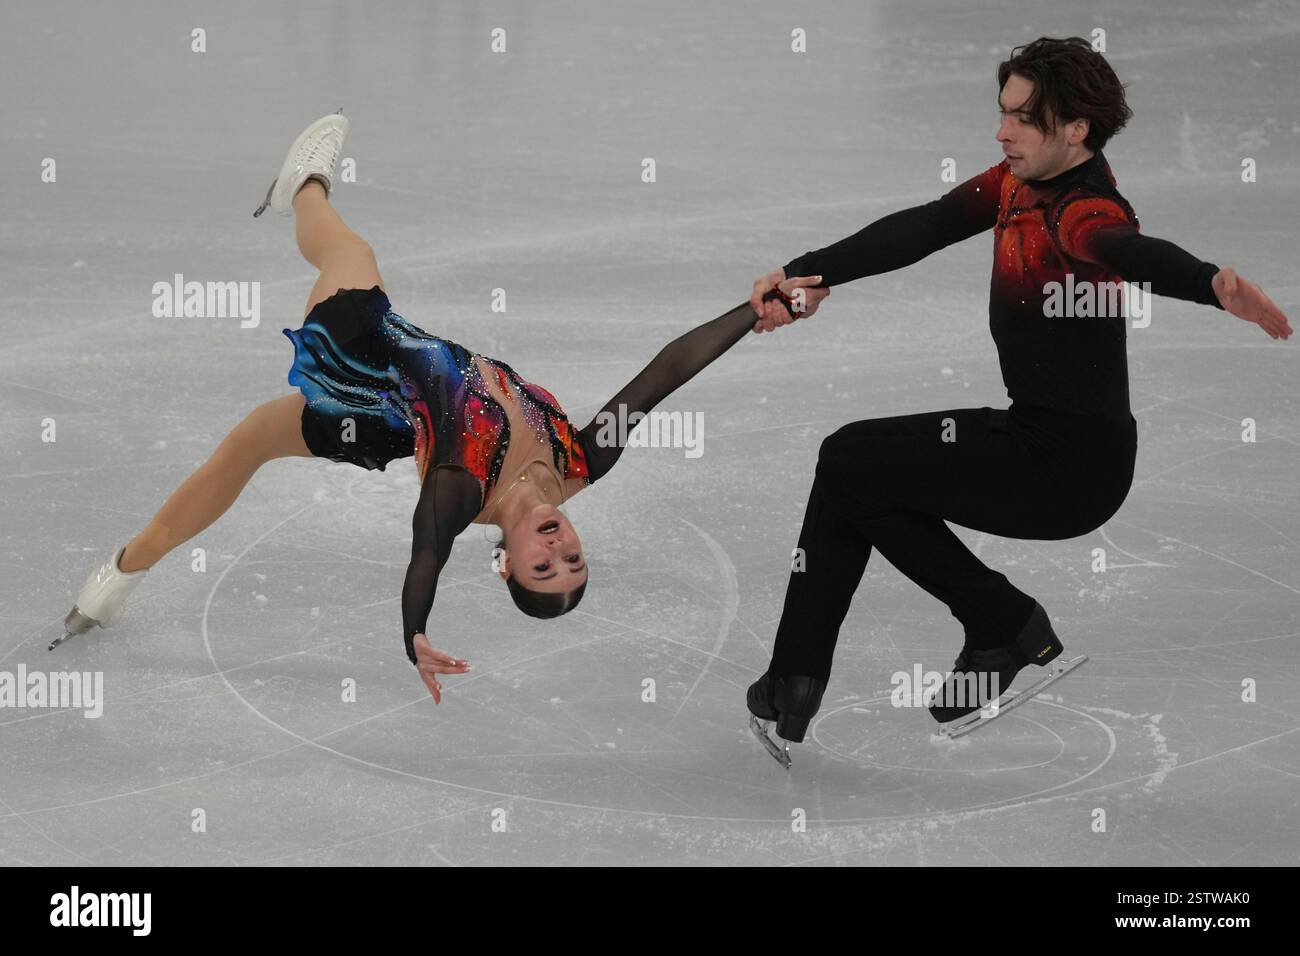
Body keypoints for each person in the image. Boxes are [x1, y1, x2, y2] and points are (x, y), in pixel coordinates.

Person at [57, 112, 812, 706]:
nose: (558, 550)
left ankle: (304, 187)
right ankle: (114, 580)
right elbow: (665, 373)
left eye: (541, 569)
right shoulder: (588, 457)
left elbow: (427, 552)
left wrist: (414, 631)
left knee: (350, 260)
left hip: (366, 359)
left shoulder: (459, 490)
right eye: (573, 559)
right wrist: (753, 314)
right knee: (249, 445)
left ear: (507, 566)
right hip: (391, 412)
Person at [744, 37, 1292, 748]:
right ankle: (799, 679)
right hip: (1033, 437)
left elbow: (1128, 251)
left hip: (1068, 469)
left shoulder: (1081, 211)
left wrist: (1210, 284)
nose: (1002, 132)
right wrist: (806, 274)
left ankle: (998, 623)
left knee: (851, 464)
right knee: (852, 468)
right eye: (1003, 113)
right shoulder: (1018, 182)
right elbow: (930, 224)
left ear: (1075, 130)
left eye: (1022, 118)